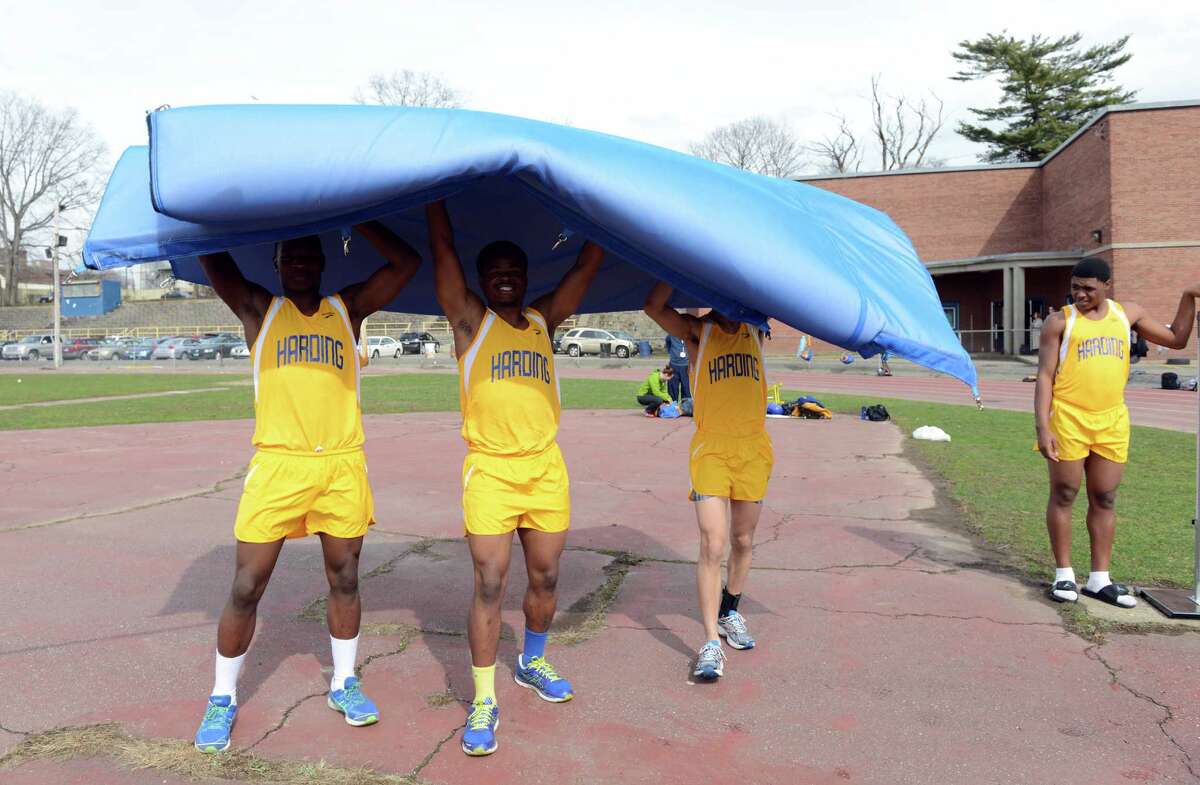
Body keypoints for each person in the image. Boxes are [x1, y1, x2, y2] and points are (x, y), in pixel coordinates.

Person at [192, 226, 422, 752]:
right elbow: (212, 255)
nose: (298, 263)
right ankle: (222, 697)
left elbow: (406, 263)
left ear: (321, 261)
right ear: (276, 263)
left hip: (341, 465)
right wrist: (203, 212)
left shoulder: (348, 309)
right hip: (279, 466)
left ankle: (344, 683)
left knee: (345, 577)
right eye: (289, 255)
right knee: (247, 586)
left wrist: (361, 217)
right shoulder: (259, 310)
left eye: (307, 255)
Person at [425, 200, 605, 757]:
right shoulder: (469, 324)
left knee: (547, 578)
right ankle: (484, 698)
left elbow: (582, 271)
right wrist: (433, 199)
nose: (505, 278)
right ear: (483, 280)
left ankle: (531, 660)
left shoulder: (542, 323)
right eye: (495, 271)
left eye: (514, 271)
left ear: (525, 278)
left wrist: (605, 219)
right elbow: (443, 251)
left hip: (545, 469)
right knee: (488, 583)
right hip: (492, 473)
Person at [1036, 257, 1199, 608]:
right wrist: (1043, 427)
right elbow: (1045, 376)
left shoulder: (1128, 315)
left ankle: (1099, 580)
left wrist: (1188, 296)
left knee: (1105, 497)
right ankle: (1064, 575)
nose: (1080, 294)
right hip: (1069, 417)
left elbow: (1177, 339)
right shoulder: (1058, 321)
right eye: (1075, 287)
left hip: (1111, 420)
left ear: (1107, 286)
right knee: (1064, 492)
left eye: (1089, 288)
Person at [644, 282, 772, 680]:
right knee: (712, 543)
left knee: (743, 541)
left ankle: (729, 612)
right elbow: (652, 304)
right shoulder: (699, 331)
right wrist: (678, 266)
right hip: (712, 449)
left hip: (753, 448)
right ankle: (710, 643)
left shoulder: (758, 329)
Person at [665, 333, 691, 400]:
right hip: (673, 365)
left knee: (686, 389)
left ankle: (685, 408)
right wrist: (672, 353)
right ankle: (673, 407)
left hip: (686, 365)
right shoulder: (672, 334)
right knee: (672, 389)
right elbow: (668, 343)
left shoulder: (689, 335)